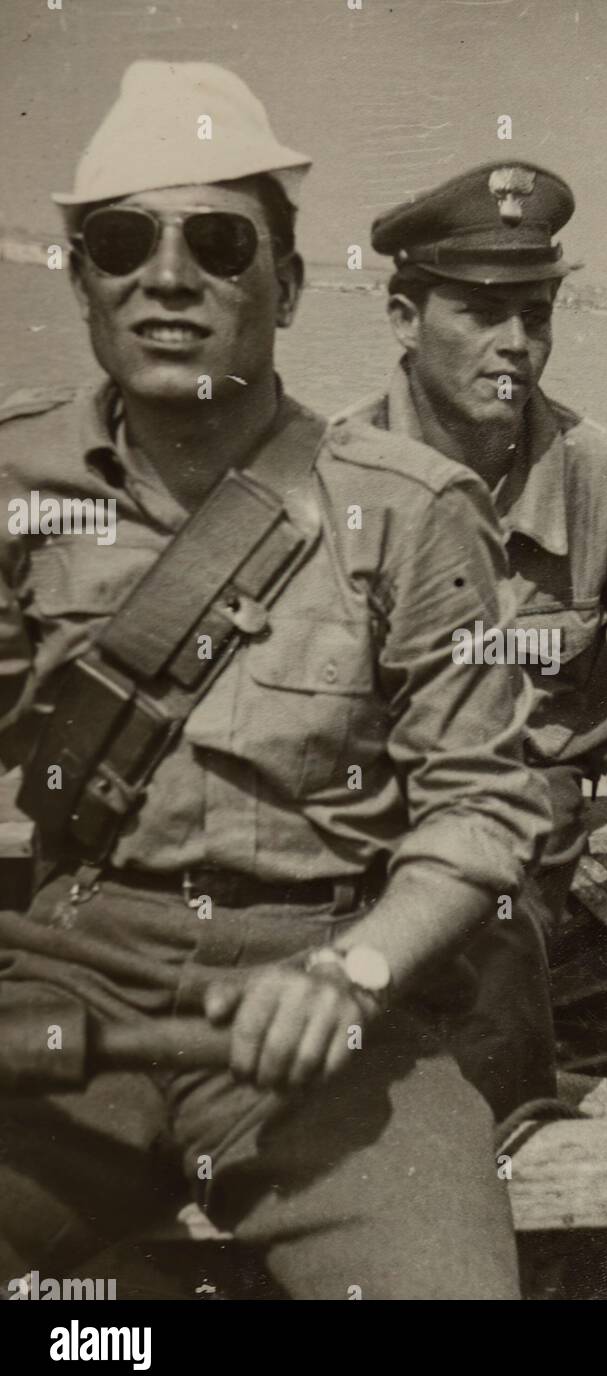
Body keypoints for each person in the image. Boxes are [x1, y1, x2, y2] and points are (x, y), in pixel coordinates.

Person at [0, 62, 550, 1300]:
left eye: (219, 242)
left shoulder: (410, 511)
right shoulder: (18, 492)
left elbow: (481, 805)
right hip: (75, 983)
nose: (169, 275)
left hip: (337, 1006)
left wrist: (349, 973)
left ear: (287, 287)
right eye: (123, 239)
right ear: (82, 278)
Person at [341, 162, 607, 1116]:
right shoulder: (329, 477)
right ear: (404, 316)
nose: (515, 344)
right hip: (353, 812)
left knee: (487, 963)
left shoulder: (602, 481)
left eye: (536, 313)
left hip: (524, 826)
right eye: (481, 312)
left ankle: (504, 1161)